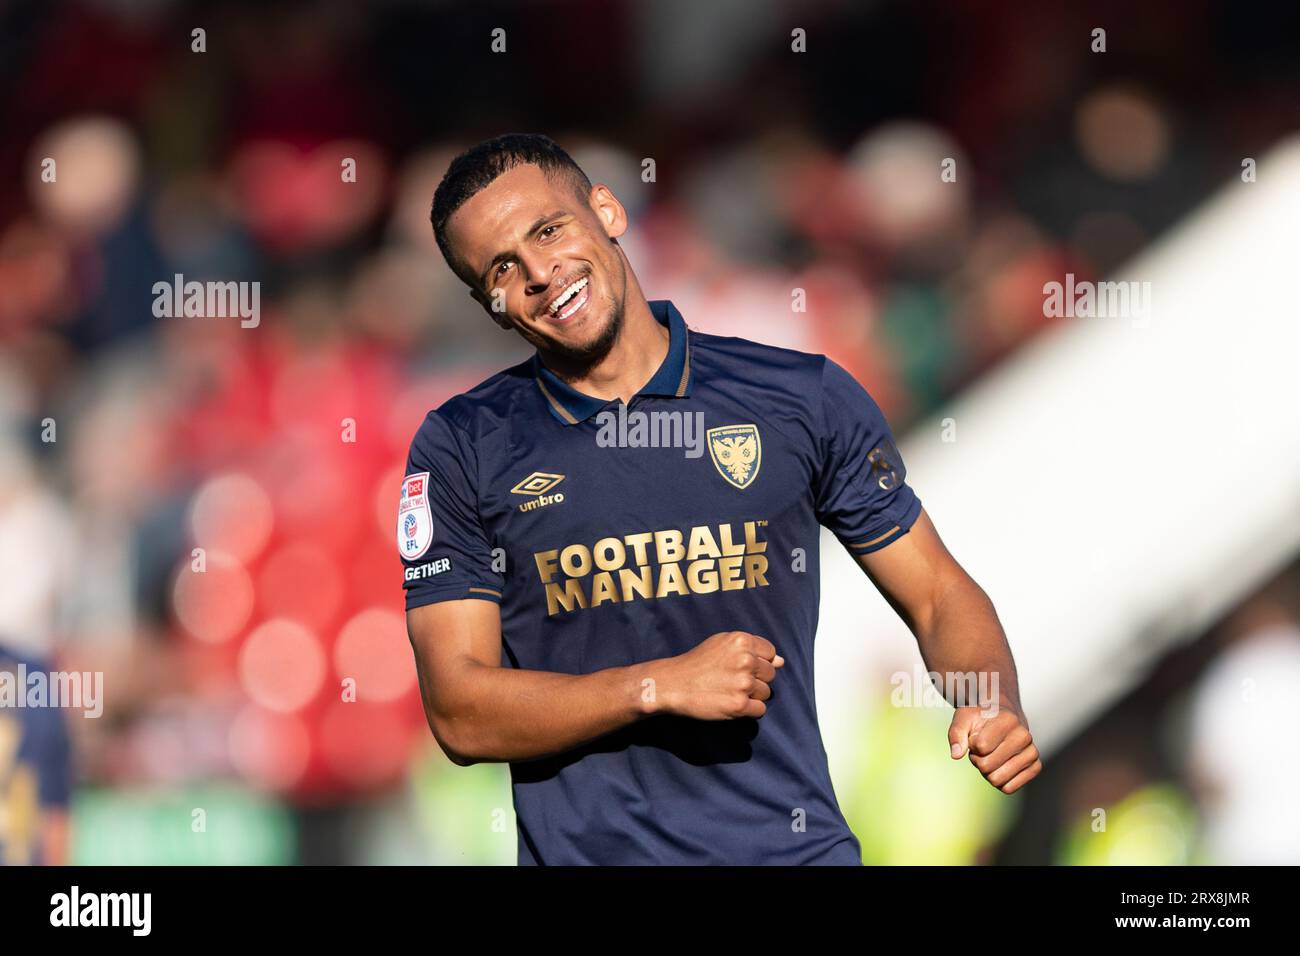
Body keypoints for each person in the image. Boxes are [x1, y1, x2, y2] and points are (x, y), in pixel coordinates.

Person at [398, 133, 1039, 864]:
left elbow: (937, 591)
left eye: (550, 230)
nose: (542, 272)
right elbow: (459, 710)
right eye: (504, 269)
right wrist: (656, 686)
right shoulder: (461, 447)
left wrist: (989, 696)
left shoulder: (799, 397)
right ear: (491, 304)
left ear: (606, 210)